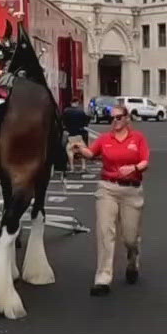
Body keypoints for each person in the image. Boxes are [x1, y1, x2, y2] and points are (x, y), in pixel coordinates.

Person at [69, 104, 149, 296]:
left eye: (119, 117)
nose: (115, 121)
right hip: (107, 188)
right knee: (105, 231)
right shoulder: (105, 139)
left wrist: (135, 168)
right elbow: (91, 153)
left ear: (127, 118)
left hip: (131, 190)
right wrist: (80, 148)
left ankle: (132, 259)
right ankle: (103, 278)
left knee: (130, 238)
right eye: (111, 117)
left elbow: (145, 161)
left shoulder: (137, 138)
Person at [62, 99, 92, 174]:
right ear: (77, 103)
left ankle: (72, 167)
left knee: (69, 150)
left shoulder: (66, 111)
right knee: (82, 150)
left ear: (71, 103)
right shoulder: (81, 112)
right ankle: (83, 167)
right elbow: (86, 122)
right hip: (79, 135)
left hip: (71, 135)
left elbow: (63, 122)